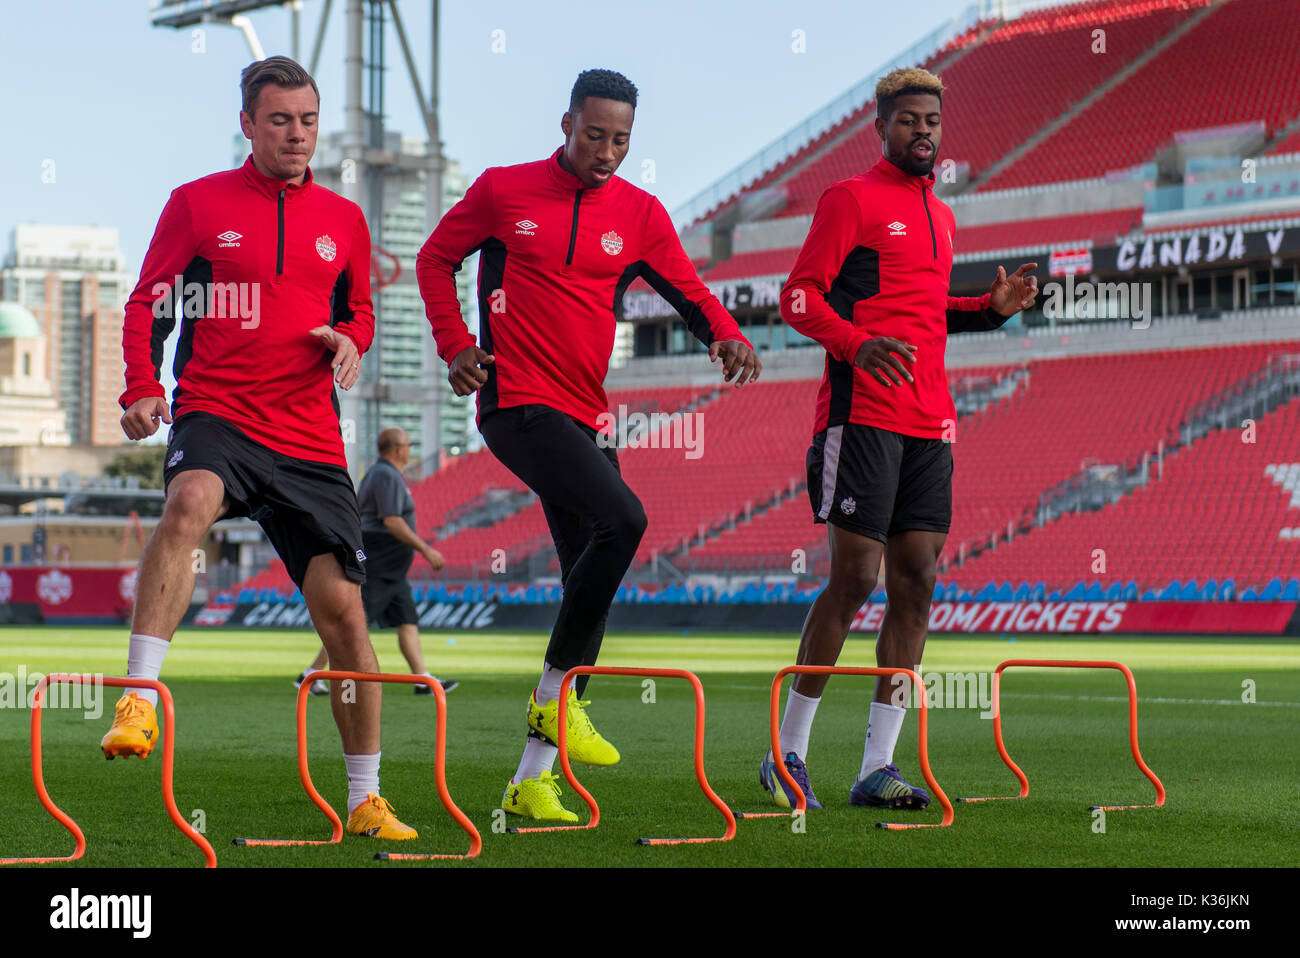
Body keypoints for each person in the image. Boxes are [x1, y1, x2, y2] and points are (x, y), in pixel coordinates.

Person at [416, 69, 760, 821]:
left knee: (589, 585)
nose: (607, 151)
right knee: (625, 522)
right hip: (515, 403)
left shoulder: (638, 214)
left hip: (587, 415)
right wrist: (455, 345)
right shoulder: (504, 192)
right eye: (594, 135)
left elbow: (689, 292)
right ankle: (553, 702)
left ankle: (530, 778)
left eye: (621, 141)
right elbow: (435, 259)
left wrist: (727, 335)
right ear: (566, 123)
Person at [104, 56, 416, 840]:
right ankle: (140, 697)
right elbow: (148, 301)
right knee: (187, 502)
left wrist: (350, 340)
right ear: (247, 124)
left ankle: (365, 798)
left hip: (309, 435)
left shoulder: (345, 219)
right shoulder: (197, 204)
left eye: (308, 121)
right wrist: (142, 386)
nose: (297, 135)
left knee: (345, 616)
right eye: (280, 121)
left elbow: (363, 313)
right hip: (219, 411)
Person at [764, 67, 1038, 811]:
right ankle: (786, 753)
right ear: (882, 126)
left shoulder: (943, 219)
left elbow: (925, 309)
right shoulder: (849, 200)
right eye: (910, 120)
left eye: (933, 122)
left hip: (930, 423)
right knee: (854, 579)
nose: (924, 132)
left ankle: (875, 767)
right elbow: (797, 296)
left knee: (915, 582)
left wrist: (990, 308)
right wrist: (855, 344)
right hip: (862, 417)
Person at [296, 427, 458, 696]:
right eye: (408, 444)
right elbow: (392, 521)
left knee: (407, 619)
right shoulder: (385, 475)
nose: (410, 449)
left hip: (392, 568)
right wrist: (426, 550)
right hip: (381, 562)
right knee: (351, 621)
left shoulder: (387, 474)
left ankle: (422, 679)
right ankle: (311, 674)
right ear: (398, 449)